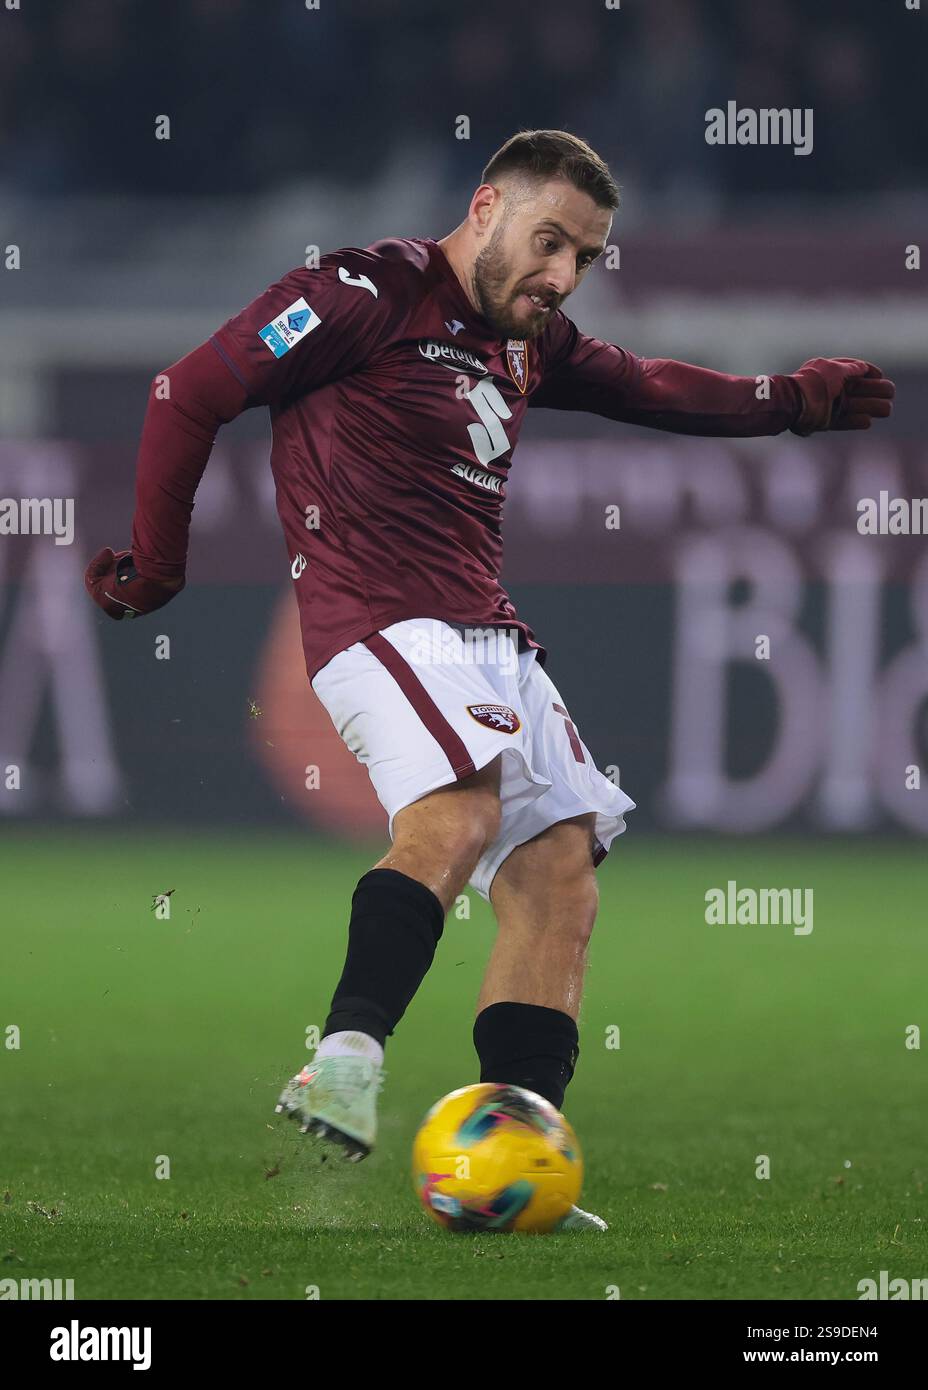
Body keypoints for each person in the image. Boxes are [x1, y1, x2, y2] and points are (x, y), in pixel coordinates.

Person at [85, 129, 894, 1232]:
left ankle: (514, 1163)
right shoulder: (359, 291)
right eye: (549, 242)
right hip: (377, 620)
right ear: (486, 207)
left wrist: (787, 400)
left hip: (484, 634)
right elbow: (191, 389)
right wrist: (157, 561)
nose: (560, 276)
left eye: (585, 258)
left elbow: (649, 385)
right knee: (458, 812)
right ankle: (343, 1058)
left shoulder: (530, 339)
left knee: (560, 873)